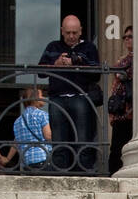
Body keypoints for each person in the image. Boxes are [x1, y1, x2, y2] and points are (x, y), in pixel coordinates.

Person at [39, 15, 102, 173]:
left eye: (74, 32)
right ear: (62, 31)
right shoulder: (53, 47)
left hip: (80, 98)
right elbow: (40, 72)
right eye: (68, 33)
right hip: (57, 99)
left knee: (83, 138)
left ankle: (83, 174)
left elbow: (97, 74)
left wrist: (77, 62)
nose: (71, 36)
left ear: (81, 31)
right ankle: (61, 174)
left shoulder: (89, 48)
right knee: (59, 140)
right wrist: (56, 64)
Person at [107, 26, 133, 174]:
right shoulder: (124, 59)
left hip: (131, 110)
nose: (127, 39)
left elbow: (121, 72)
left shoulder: (135, 60)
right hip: (120, 111)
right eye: (125, 37)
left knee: (121, 148)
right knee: (116, 149)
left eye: (131, 36)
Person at [12, 86, 52, 171]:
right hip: (42, 158)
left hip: (26, 163)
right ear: (35, 98)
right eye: (41, 95)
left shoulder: (18, 120)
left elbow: (16, 142)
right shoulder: (41, 115)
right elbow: (48, 136)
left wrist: (8, 158)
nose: (44, 98)